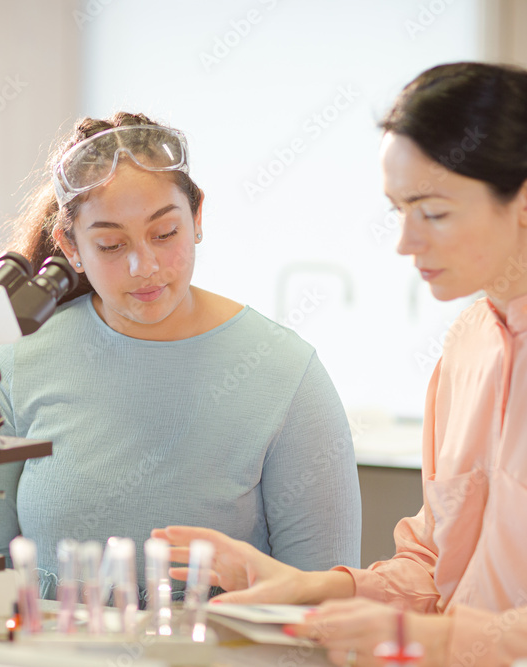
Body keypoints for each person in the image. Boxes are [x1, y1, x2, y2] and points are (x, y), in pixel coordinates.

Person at [155, 61, 527, 667]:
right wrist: (308, 586)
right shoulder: (468, 349)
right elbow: (436, 567)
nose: (406, 242)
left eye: (431, 212)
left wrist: (437, 641)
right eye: (396, 210)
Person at [0, 112, 363, 601]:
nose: (144, 266)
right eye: (111, 244)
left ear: (197, 218)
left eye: (165, 233)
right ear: (71, 247)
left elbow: (323, 595)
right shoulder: (17, 363)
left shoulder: (284, 373)